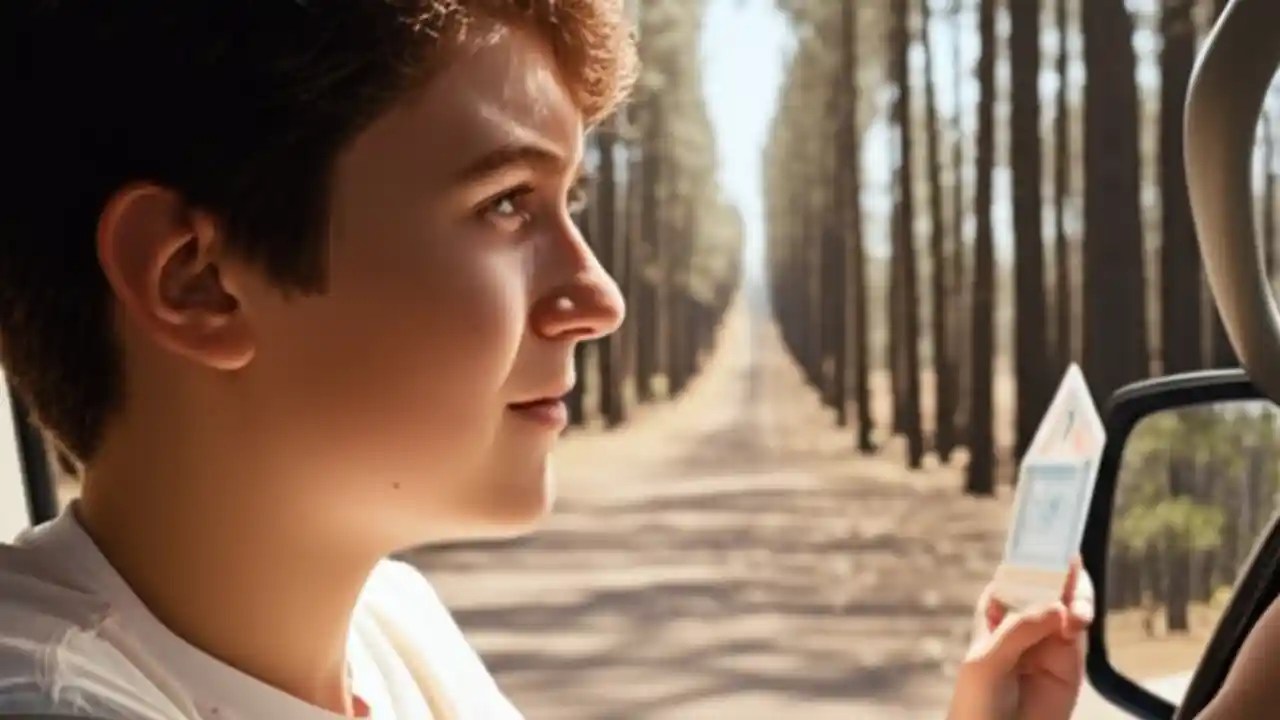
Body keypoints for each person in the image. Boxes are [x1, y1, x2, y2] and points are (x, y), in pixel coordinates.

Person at [0, 2, 1092, 718]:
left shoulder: (390, 626)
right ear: (194, 278)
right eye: (505, 204)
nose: (597, 298)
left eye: (566, 203)